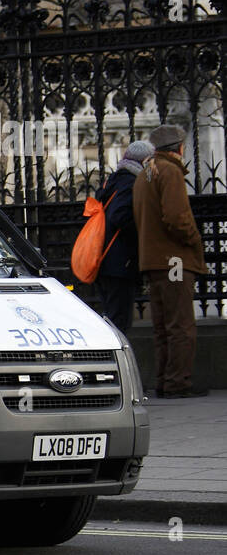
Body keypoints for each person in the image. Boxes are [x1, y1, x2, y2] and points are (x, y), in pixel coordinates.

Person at [133, 124, 208, 398]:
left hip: (154, 260)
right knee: (181, 324)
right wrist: (193, 240)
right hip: (174, 260)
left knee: (163, 325)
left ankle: (165, 380)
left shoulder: (146, 174)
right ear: (179, 148)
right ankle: (178, 382)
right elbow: (177, 218)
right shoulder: (170, 172)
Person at [94, 140, 151, 337]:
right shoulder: (130, 182)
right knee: (119, 322)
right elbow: (119, 216)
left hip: (106, 260)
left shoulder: (113, 180)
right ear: (144, 160)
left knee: (111, 317)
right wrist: (143, 232)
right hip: (120, 263)